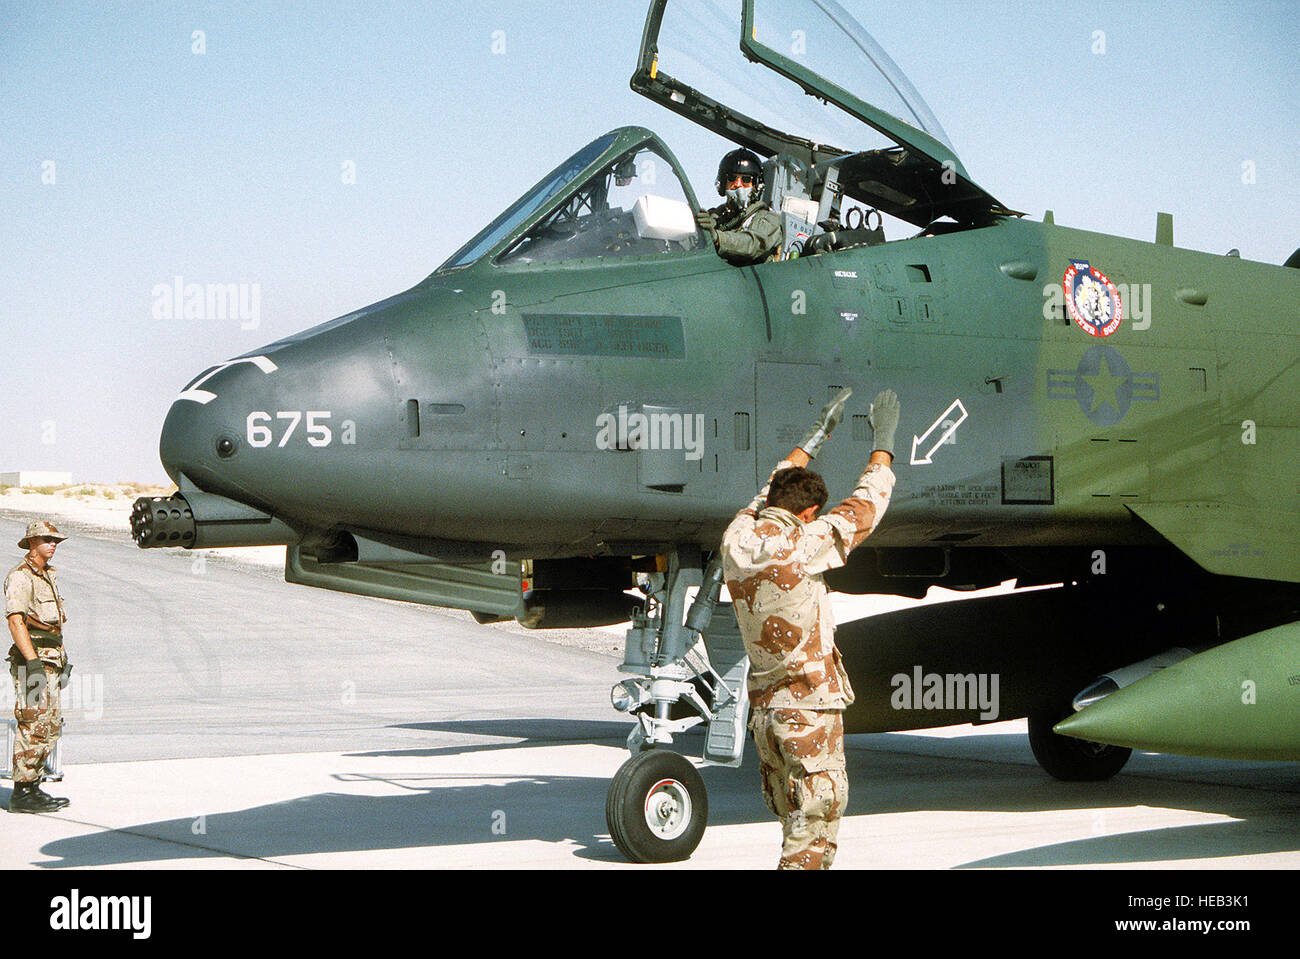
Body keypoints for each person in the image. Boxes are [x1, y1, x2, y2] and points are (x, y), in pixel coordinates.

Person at [720, 387, 900, 868]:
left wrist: (816, 435)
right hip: (809, 710)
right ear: (807, 515)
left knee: (794, 825)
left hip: (766, 715)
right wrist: (883, 439)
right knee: (814, 827)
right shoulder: (805, 543)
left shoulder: (736, 539)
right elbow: (866, 505)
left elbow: (769, 490)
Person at [5, 520, 72, 814]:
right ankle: (22, 792)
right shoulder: (21, 577)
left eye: (55, 540)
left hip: (50, 659)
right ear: (32, 543)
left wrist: (62, 661)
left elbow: (53, 626)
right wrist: (31, 661)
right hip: (34, 661)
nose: (52, 544)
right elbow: (16, 621)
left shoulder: (47, 576)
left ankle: (33, 786)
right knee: (33, 722)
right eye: (46, 540)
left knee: (50, 724)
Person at [695, 147, 783, 266]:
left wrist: (717, 237)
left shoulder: (768, 219)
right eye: (732, 178)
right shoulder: (717, 216)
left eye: (746, 179)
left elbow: (751, 244)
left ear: (757, 186)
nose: (738, 185)